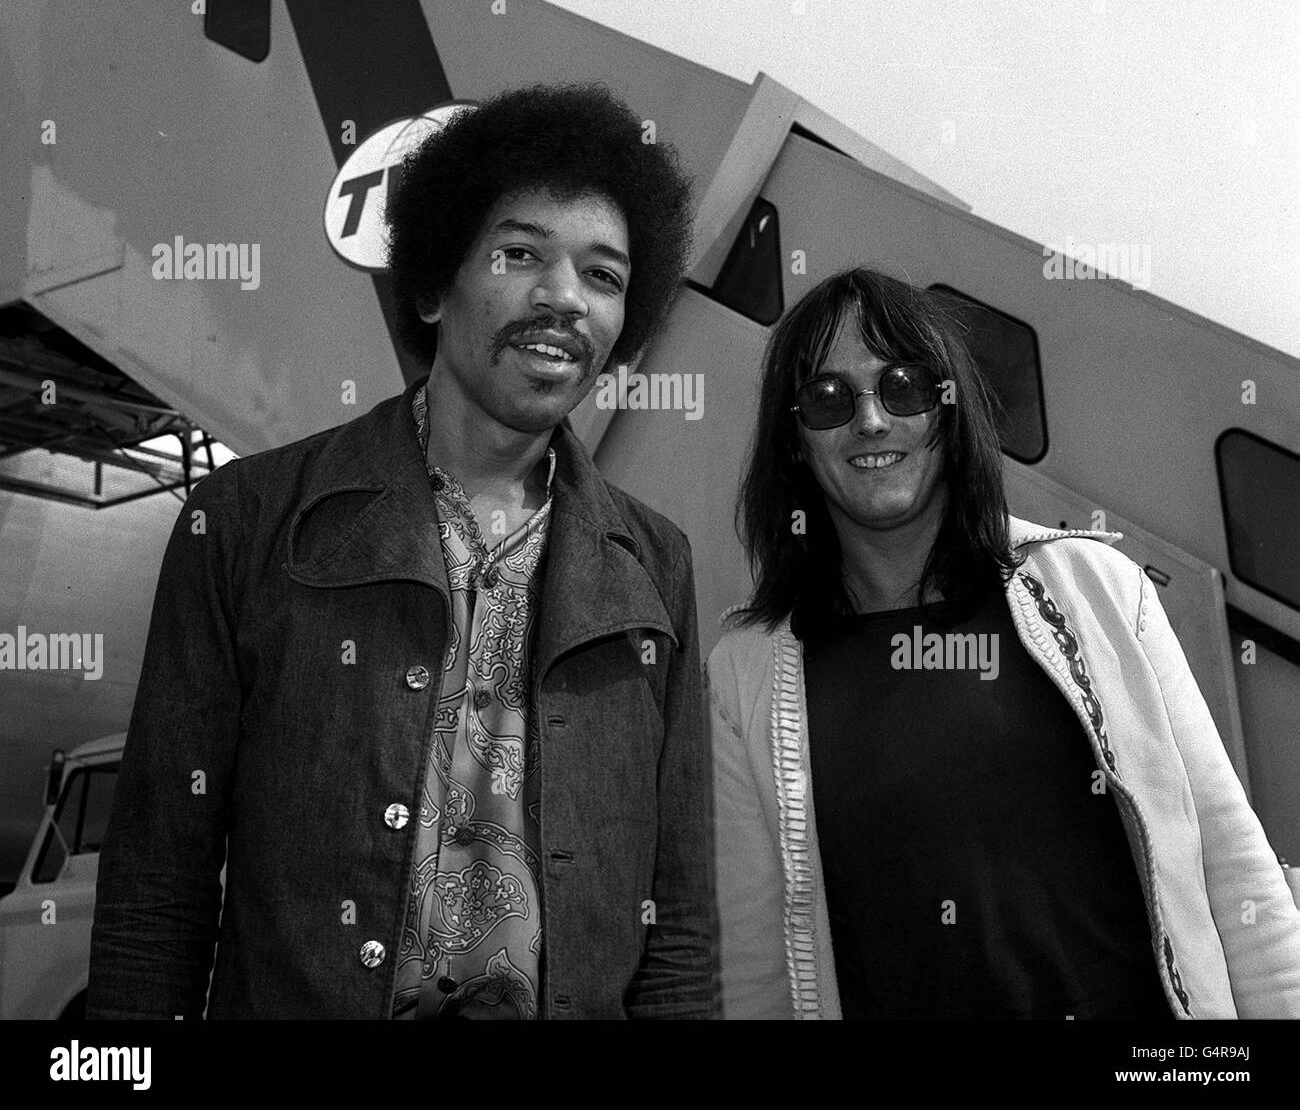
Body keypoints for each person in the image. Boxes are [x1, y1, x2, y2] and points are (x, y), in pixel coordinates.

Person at [88, 83, 715, 1020]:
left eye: (604, 276)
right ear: (429, 284)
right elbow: (155, 889)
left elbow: (680, 934)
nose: (563, 300)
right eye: (519, 254)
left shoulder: (655, 564)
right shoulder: (250, 524)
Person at [708, 266, 1300, 1020]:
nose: (871, 420)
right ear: (794, 441)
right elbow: (759, 973)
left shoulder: (1097, 588)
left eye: (904, 387)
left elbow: (1235, 869)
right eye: (828, 399)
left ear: (949, 413)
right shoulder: (746, 671)